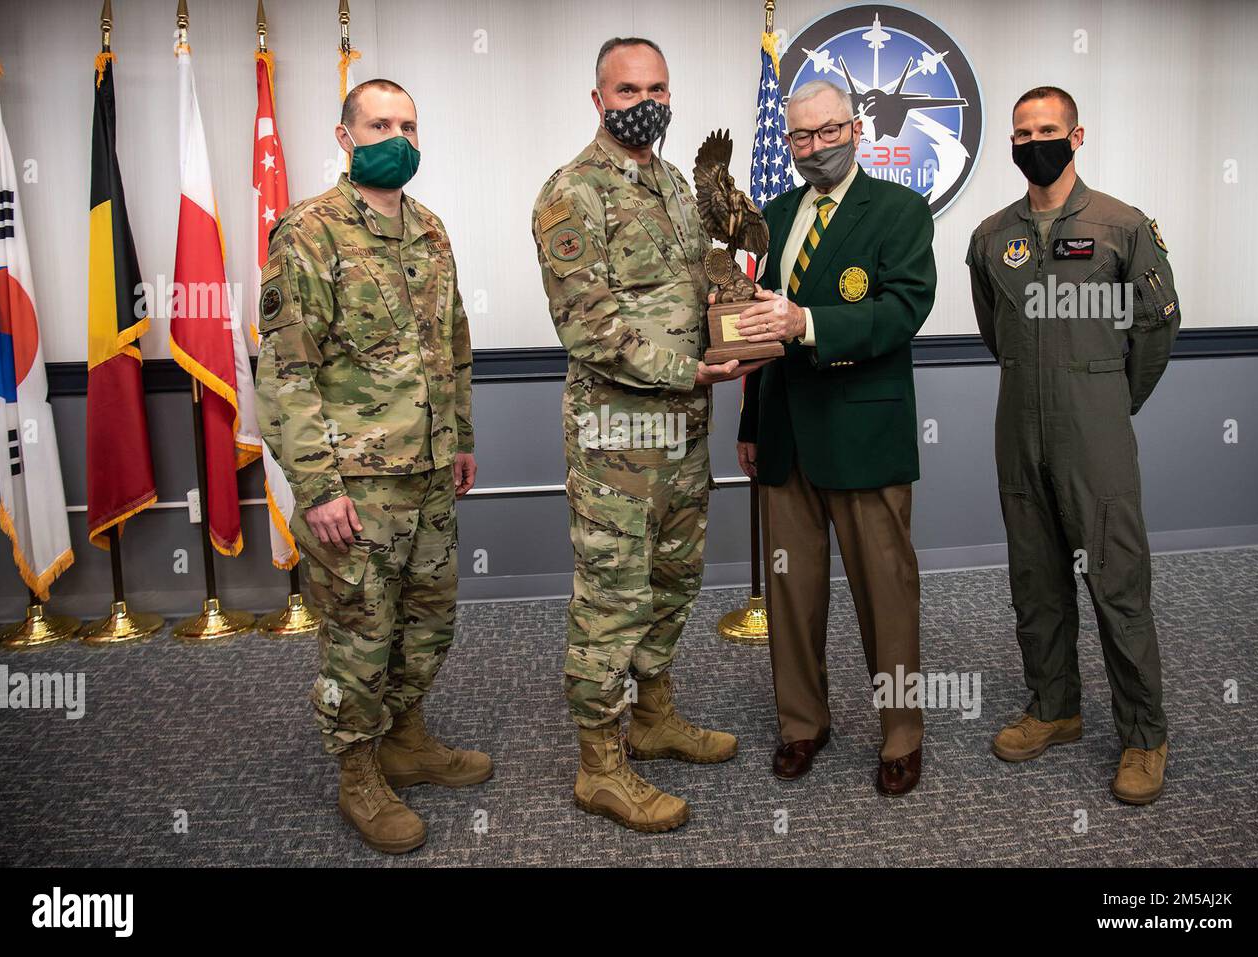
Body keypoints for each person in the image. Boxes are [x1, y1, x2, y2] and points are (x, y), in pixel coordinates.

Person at [254, 79, 489, 854]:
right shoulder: (308, 232)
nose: (398, 135)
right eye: (380, 123)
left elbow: (452, 347)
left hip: (426, 475)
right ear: (345, 135)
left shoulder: (431, 230)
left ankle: (407, 738)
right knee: (358, 636)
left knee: (427, 623)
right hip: (354, 486)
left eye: (410, 124)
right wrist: (316, 487)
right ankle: (358, 769)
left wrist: (459, 438)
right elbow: (287, 371)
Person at [531, 37, 760, 833]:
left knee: (673, 581)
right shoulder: (570, 193)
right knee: (611, 597)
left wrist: (740, 297)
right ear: (598, 100)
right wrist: (692, 369)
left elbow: (703, 281)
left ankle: (655, 715)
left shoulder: (673, 184)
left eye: (657, 86)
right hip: (616, 441)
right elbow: (588, 328)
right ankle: (599, 763)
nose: (644, 101)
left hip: (683, 435)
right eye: (627, 89)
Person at [965, 86, 1180, 805]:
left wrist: (1109, 402)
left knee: (1117, 584)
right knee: (1036, 581)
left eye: (1048, 129)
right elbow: (997, 332)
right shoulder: (994, 236)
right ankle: (1054, 706)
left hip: (1095, 432)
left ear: (1077, 135)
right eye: (1024, 132)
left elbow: (1154, 332)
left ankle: (1144, 735)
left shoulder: (1122, 226)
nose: (1035, 141)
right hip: (1018, 425)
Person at [734, 80, 936, 795]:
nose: (814, 147)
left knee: (887, 594)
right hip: (785, 436)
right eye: (800, 137)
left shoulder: (901, 211)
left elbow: (903, 308)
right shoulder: (776, 213)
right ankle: (802, 724)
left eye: (827, 132)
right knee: (792, 595)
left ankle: (902, 733)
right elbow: (760, 324)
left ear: (855, 129)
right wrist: (750, 422)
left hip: (865, 435)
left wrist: (809, 325)